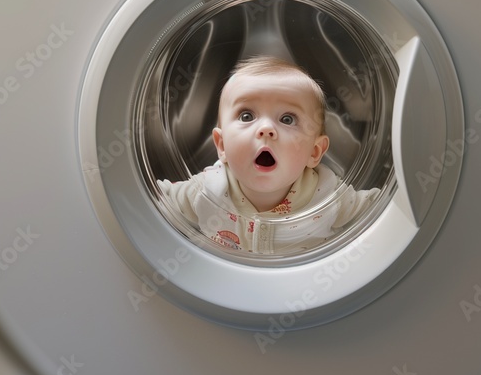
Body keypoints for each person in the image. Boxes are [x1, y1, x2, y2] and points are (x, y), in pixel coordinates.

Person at [157, 56, 380, 253]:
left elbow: (384, 211)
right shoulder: (206, 190)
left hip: (306, 293)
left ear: (314, 152)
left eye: (287, 119)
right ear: (222, 145)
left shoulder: (330, 197)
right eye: (246, 116)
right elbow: (150, 197)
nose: (266, 128)